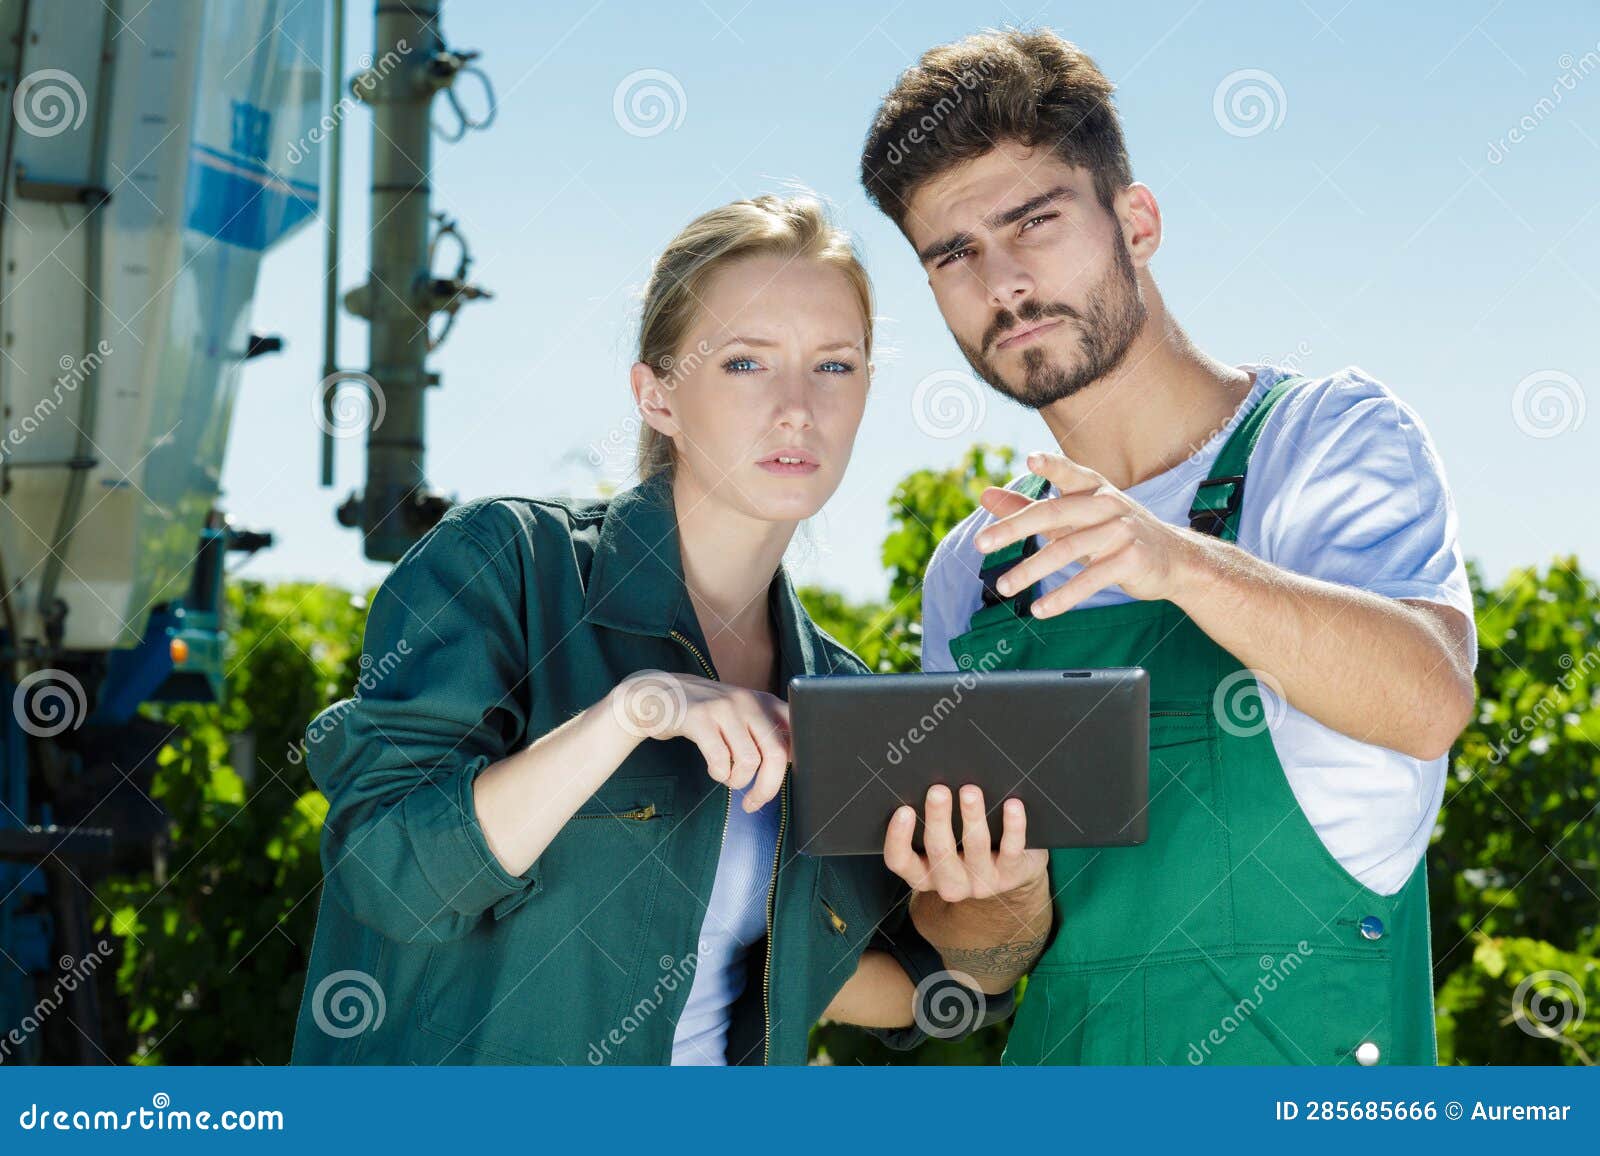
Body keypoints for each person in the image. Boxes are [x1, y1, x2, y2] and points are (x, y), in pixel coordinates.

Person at [289, 192, 1048, 1065]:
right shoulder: (510, 567)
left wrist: (1005, 907)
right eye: (744, 365)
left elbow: (940, 995)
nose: (797, 407)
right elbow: (391, 876)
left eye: (834, 366)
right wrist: (632, 713)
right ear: (657, 396)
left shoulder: (839, 699)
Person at [857, 28, 1477, 1065]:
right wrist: (988, 894)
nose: (1002, 281)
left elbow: (1427, 700)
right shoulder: (976, 570)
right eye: (952, 255)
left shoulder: (1323, 439)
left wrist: (1174, 559)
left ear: (1134, 222)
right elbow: (994, 961)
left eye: (1033, 222)